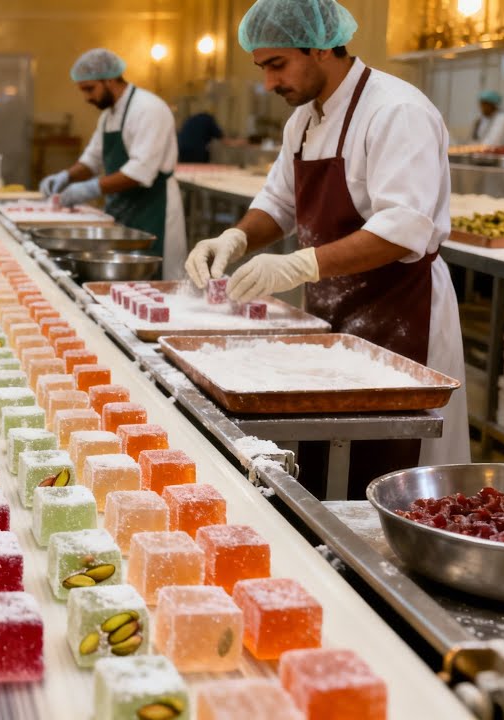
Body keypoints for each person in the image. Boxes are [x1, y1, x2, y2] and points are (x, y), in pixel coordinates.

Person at [185, 0, 469, 497]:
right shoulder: (305, 120)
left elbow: (403, 229)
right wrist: (235, 238)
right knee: (328, 463)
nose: (270, 83)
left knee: (388, 475)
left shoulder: (394, 110)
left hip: (401, 315)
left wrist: (301, 263)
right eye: (263, 68)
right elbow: (278, 203)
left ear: (320, 47)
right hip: (329, 313)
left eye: (277, 64)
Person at [38, 49, 187, 279]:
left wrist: (90, 188)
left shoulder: (148, 109)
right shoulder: (108, 116)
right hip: (122, 208)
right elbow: (92, 160)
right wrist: (66, 177)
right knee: (121, 281)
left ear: (109, 79)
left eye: (90, 89)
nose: (87, 98)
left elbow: (140, 172)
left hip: (153, 208)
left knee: (154, 279)